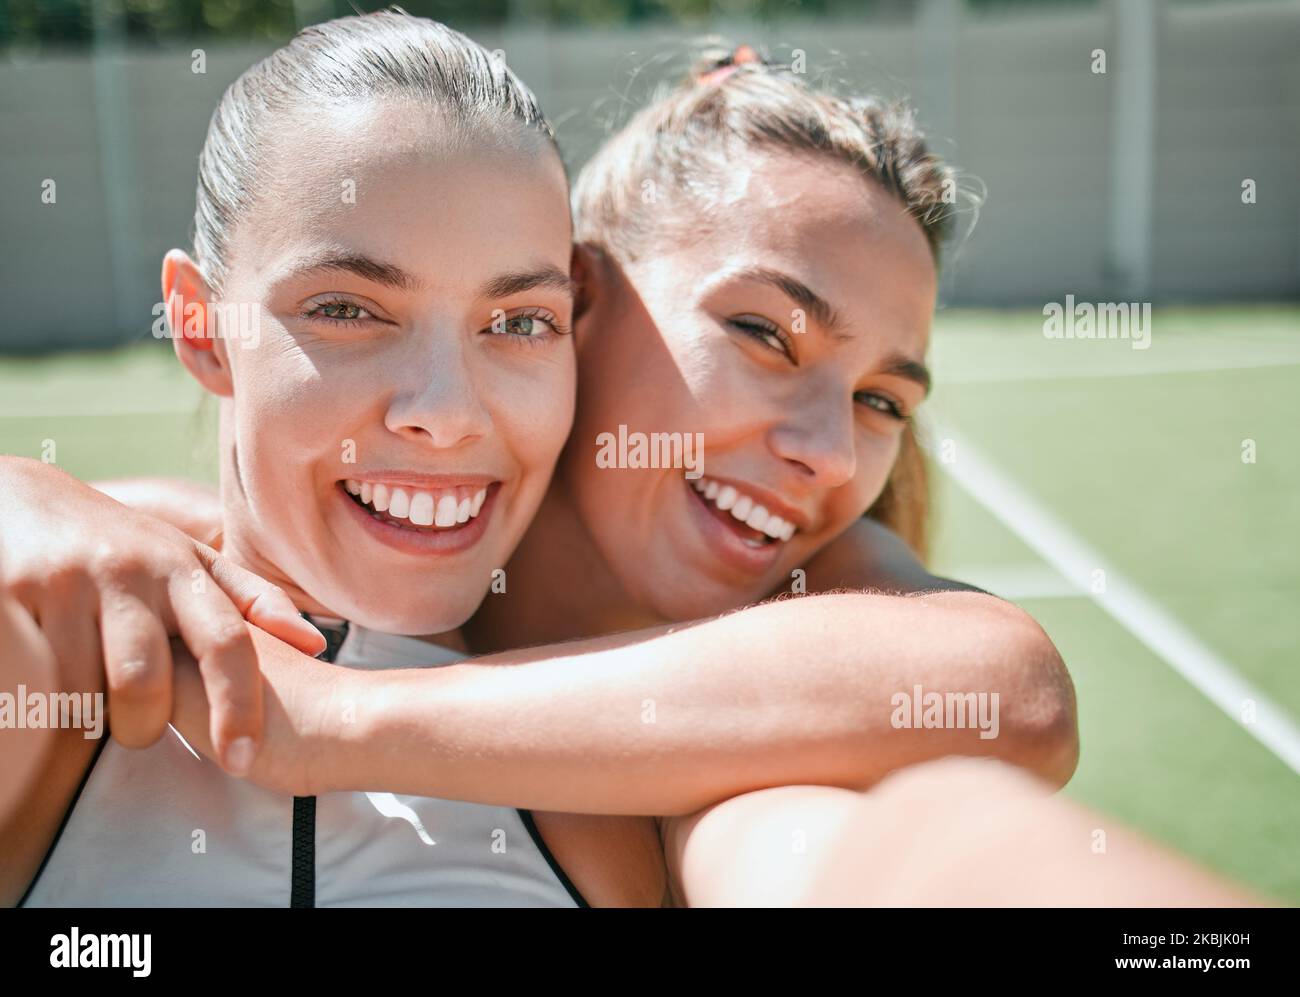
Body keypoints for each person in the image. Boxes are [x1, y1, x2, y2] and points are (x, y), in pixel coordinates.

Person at [0, 14, 1075, 907]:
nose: (443, 411)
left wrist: (336, 723)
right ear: (199, 326)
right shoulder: (93, 632)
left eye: (513, 323)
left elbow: (1007, 697)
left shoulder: (655, 787)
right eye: (345, 309)